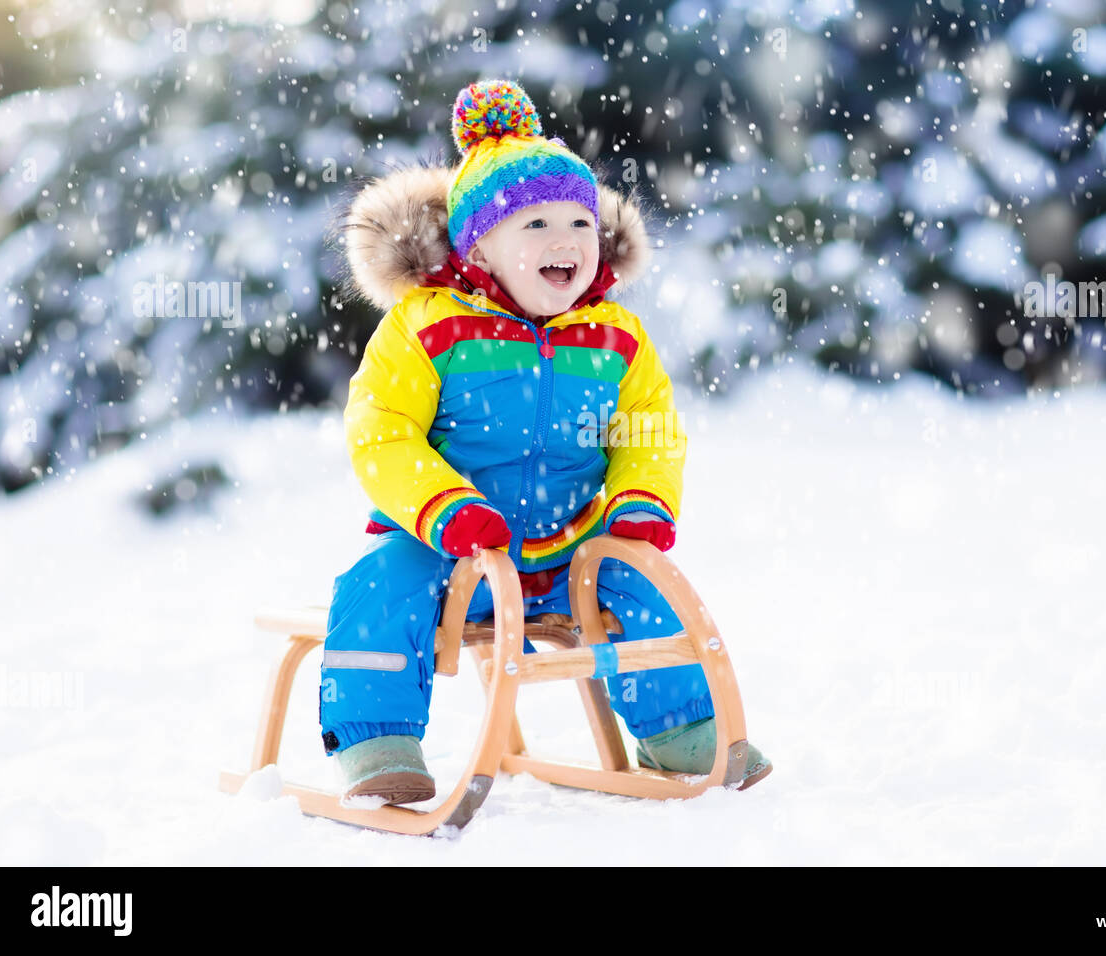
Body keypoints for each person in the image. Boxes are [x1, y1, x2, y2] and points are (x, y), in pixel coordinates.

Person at [321, 78, 771, 805]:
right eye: (534, 226)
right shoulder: (427, 325)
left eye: (579, 224)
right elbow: (381, 430)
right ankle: (377, 742)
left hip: (569, 544)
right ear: (481, 248)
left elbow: (649, 428)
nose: (564, 240)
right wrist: (444, 508)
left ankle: (682, 729)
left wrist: (640, 501)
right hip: (449, 540)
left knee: (643, 579)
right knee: (381, 583)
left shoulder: (615, 337)